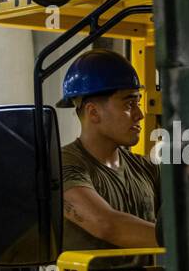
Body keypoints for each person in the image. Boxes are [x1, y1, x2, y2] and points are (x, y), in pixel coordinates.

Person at [58, 49, 160, 251]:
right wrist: (182, 242)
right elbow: (106, 225)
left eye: (138, 102)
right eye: (129, 104)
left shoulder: (145, 168)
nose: (139, 114)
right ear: (93, 112)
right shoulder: (61, 166)